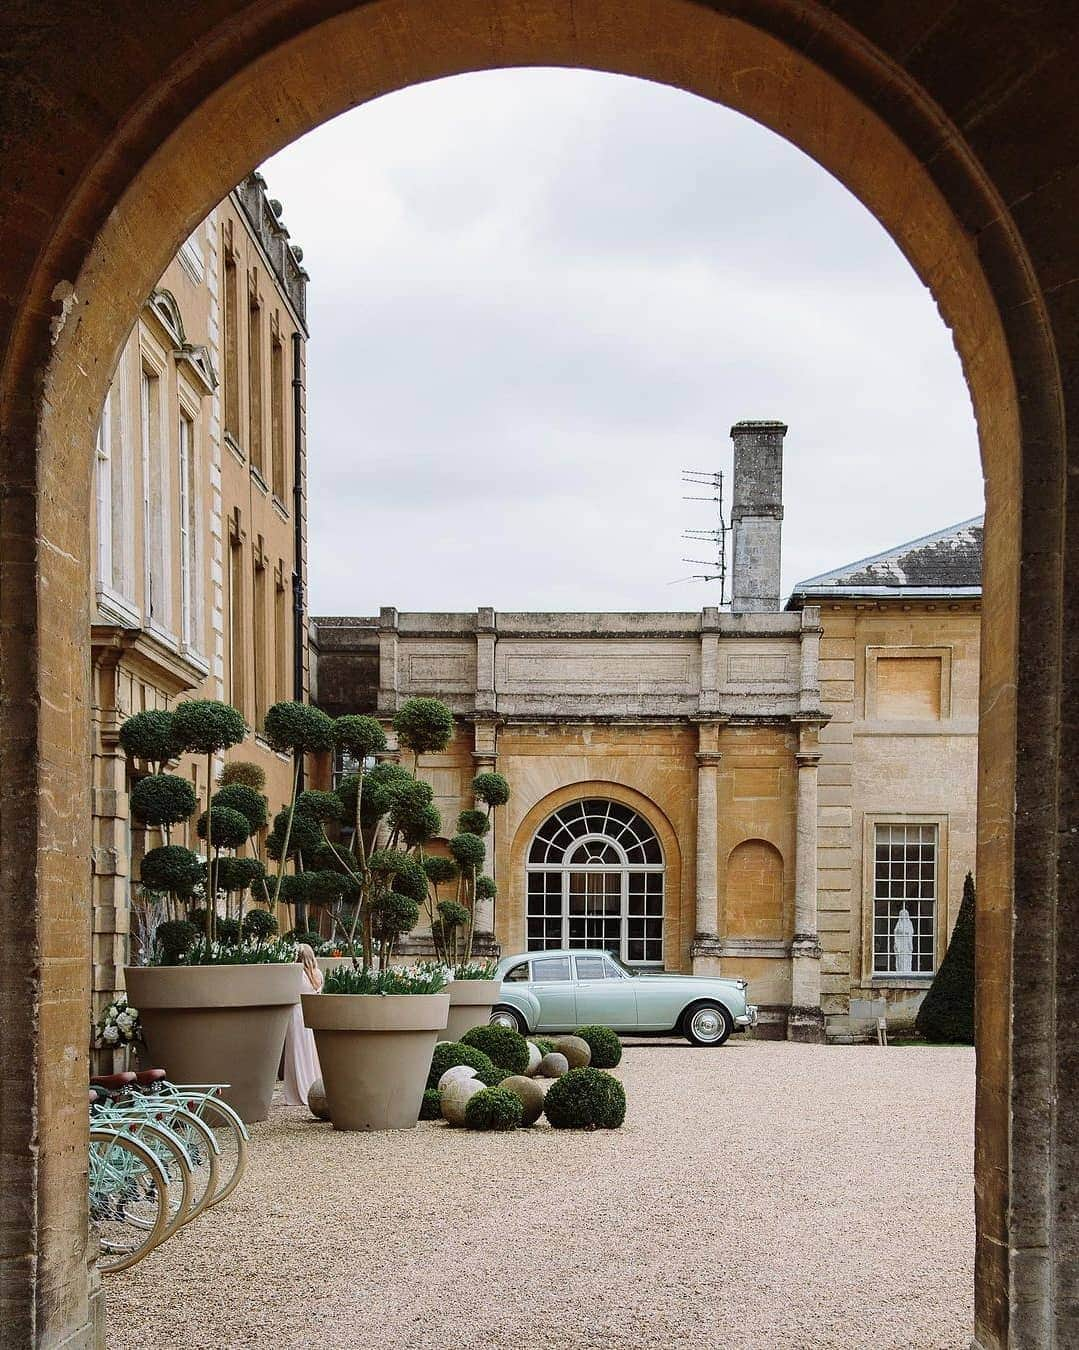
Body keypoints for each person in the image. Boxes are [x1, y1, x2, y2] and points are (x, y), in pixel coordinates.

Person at [282, 943, 323, 1108]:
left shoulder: (296, 974)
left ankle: (297, 1091)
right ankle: (313, 1084)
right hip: (311, 1014)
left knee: (296, 1052)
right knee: (310, 1051)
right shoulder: (318, 974)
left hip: (296, 1014)